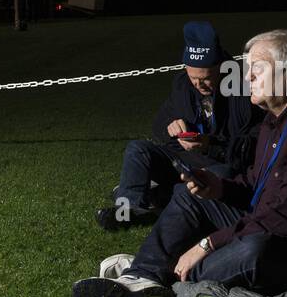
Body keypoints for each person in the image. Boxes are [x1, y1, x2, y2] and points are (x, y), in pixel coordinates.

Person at [72, 28, 287, 297]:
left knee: (254, 251)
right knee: (191, 195)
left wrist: (209, 243)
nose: (247, 78)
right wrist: (218, 188)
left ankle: (161, 271)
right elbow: (257, 186)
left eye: (258, 69)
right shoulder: (275, 119)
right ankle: (143, 272)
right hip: (278, 223)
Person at [96, 21, 260, 231]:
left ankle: (155, 196)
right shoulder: (183, 84)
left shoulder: (245, 89)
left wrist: (210, 144)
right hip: (185, 161)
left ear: (221, 68)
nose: (199, 85)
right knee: (138, 149)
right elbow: (159, 125)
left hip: (220, 164)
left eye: (206, 79)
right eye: (193, 78)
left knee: (223, 175)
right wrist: (170, 126)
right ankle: (127, 210)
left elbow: (251, 147)